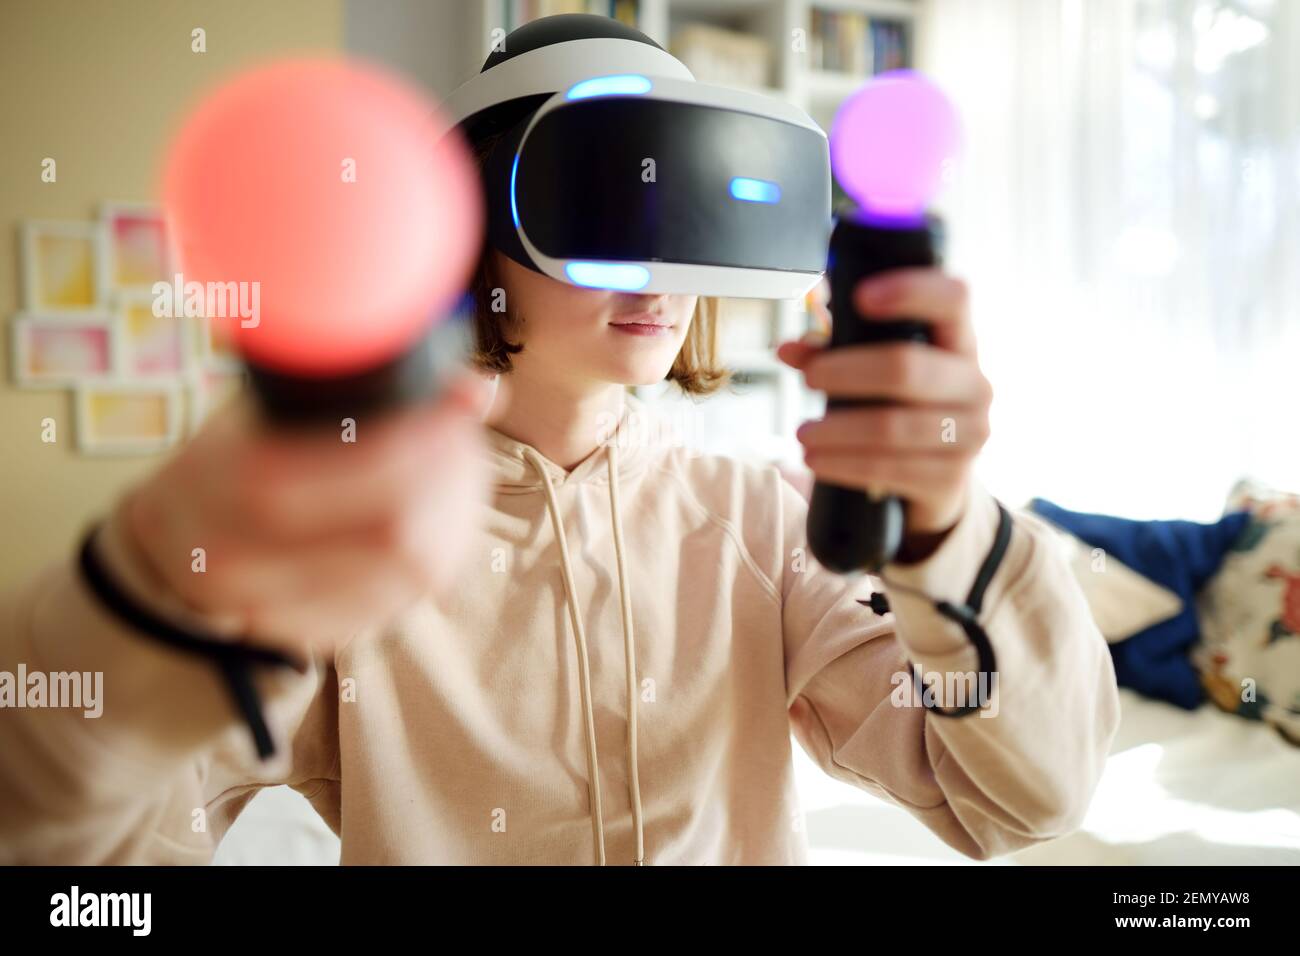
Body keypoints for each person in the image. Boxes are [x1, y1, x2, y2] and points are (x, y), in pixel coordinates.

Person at [0, 53, 1119, 871]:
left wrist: (949, 538)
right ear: (467, 238)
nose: (655, 268)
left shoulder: (766, 522)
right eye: (599, 204)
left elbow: (1017, 801)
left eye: (684, 210)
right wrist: (134, 623)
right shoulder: (356, 553)